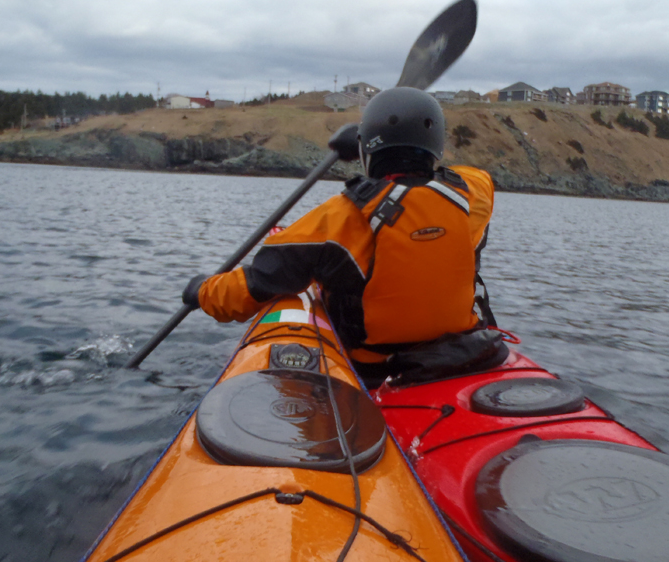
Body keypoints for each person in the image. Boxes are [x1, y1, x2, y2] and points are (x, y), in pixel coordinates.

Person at [182, 86, 496, 386]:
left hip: (375, 369)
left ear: (366, 149)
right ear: (436, 145)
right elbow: (475, 178)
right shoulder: (472, 195)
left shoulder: (340, 218)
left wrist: (202, 291)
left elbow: (255, 286)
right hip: (464, 357)